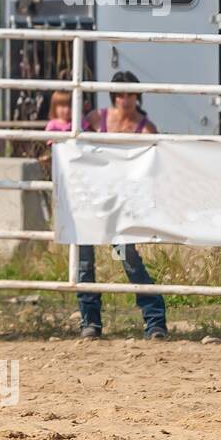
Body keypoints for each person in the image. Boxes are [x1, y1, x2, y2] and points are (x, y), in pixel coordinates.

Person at [77, 70, 168, 340]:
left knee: (127, 260)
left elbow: (154, 165)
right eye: (119, 94)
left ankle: (154, 321)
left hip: (123, 205)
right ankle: (90, 321)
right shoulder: (96, 119)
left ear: (136, 96)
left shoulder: (145, 127)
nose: (125, 99)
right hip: (94, 201)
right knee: (85, 263)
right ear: (113, 96)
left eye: (129, 94)